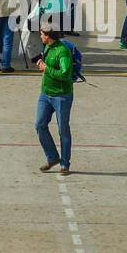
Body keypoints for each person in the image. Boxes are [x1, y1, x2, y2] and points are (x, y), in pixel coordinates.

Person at [35, 27, 75, 175]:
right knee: (40, 125)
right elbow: (48, 65)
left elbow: (65, 74)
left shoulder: (62, 52)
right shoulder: (48, 47)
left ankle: (65, 164)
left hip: (61, 96)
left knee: (63, 129)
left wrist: (46, 69)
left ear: (48, 36)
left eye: (41, 34)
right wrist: (42, 63)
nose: (40, 37)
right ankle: (52, 157)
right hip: (45, 94)